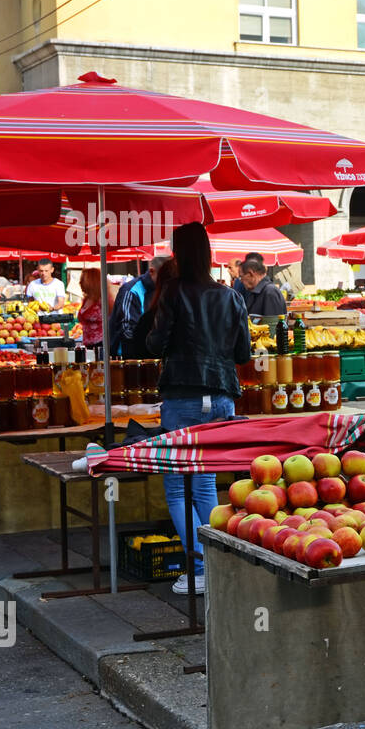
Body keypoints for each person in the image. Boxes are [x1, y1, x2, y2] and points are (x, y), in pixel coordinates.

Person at [146, 223, 251, 595]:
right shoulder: (231, 296)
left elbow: (155, 343)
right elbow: (243, 354)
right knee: (206, 481)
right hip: (221, 396)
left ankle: (200, 568)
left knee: (177, 487)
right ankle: (216, 564)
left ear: (178, 253)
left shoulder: (173, 292)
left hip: (182, 396)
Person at [107, 255, 167, 357]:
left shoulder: (164, 289)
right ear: (151, 271)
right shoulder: (131, 290)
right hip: (128, 358)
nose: (167, 280)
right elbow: (126, 330)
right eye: (164, 276)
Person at [77, 268, 103, 351]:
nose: (80, 283)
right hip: (88, 345)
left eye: (83, 280)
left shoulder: (102, 301)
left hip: (100, 344)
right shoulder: (86, 299)